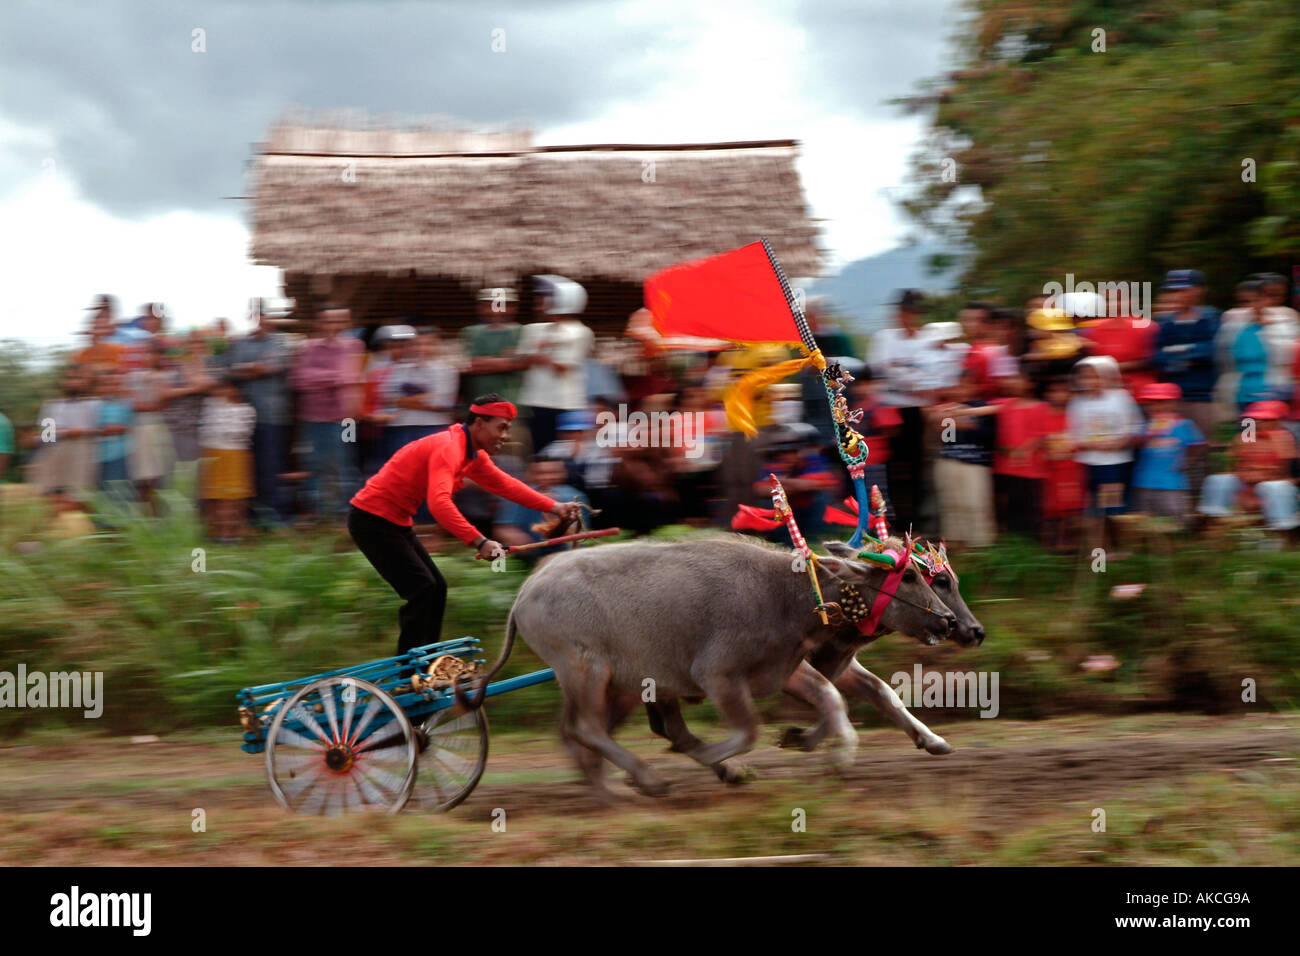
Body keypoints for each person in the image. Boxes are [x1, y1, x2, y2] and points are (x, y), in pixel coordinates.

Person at [348, 394, 583, 657]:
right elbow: (439, 504)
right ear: (479, 424)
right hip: (372, 520)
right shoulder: (449, 448)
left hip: (394, 522)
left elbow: (508, 485)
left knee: (436, 587)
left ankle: (427, 662)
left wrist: (555, 507)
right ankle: (411, 673)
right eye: (501, 427)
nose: (505, 435)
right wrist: (480, 541)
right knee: (422, 589)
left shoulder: (471, 454)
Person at [869, 289, 939, 526]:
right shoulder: (884, 339)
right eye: (902, 311)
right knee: (892, 465)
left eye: (911, 312)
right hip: (892, 410)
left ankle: (917, 518)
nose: (906, 316)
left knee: (918, 463)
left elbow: (931, 375)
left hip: (918, 410)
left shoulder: (927, 340)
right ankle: (894, 517)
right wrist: (910, 378)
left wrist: (902, 374)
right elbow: (882, 371)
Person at [290, 304, 365, 522]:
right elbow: (300, 379)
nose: (335, 326)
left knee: (346, 462)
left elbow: (353, 377)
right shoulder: (307, 347)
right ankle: (318, 511)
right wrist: (336, 378)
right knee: (315, 462)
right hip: (315, 417)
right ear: (319, 323)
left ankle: (348, 511)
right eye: (330, 321)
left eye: (340, 321)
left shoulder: (354, 346)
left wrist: (322, 378)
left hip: (348, 418)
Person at [1067, 355, 1144, 553]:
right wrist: (1084, 444)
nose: (1090, 382)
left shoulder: (1120, 398)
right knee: (1093, 509)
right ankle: (1102, 552)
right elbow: (1071, 433)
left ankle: (1124, 550)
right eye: (1084, 377)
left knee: (1113, 508)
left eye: (1095, 376)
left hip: (1114, 463)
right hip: (1088, 462)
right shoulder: (1076, 403)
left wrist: (1122, 441)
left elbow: (1136, 427)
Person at [227, 299, 293, 527]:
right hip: (244, 418)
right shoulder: (241, 343)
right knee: (249, 468)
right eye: (256, 314)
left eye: (264, 314)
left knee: (272, 467)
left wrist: (252, 368)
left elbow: (274, 366)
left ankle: (276, 517)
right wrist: (255, 367)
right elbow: (234, 370)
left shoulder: (282, 342)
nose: (261, 319)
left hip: (273, 417)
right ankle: (254, 517)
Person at [517, 276, 594, 454]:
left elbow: (562, 366)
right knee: (540, 454)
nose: (541, 304)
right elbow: (523, 358)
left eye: (546, 298)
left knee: (566, 454)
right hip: (536, 402)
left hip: (565, 404)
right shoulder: (533, 329)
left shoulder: (580, 332)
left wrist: (539, 352)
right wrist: (546, 351)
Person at [1152, 269, 1221, 460]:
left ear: (1198, 291)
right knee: (1174, 452)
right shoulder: (1165, 323)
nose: (1177, 295)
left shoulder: (1211, 318)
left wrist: (1176, 353)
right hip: (1173, 400)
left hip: (1204, 398)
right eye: (1173, 291)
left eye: (1183, 290)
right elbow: (1158, 358)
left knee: (1204, 451)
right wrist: (1190, 353)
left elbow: (1211, 351)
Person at [1199, 400, 1298, 532]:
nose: (1258, 424)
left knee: (1276, 486)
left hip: (1272, 485)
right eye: (1255, 420)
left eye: (1264, 420)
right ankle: (1213, 520)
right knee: (1218, 480)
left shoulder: (1284, 438)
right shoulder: (1247, 436)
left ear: (1277, 421)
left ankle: (1283, 528)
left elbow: (1290, 471)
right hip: (1246, 484)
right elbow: (1235, 464)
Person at [927, 369, 996, 547]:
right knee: (951, 503)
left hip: (975, 463)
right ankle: (956, 541)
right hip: (951, 460)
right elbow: (947, 439)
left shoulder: (983, 407)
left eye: (967, 385)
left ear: (974, 387)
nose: (962, 389)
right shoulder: (950, 409)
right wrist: (945, 422)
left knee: (975, 504)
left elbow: (989, 437)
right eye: (959, 385)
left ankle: (980, 544)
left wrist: (969, 424)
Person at [1130, 382, 1205, 526]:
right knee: (1146, 521)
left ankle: (1179, 544)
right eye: (1151, 403)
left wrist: (1185, 462)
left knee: (1178, 520)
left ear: (1174, 403)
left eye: (1161, 402)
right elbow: (1134, 442)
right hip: (1145, 481)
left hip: (1173, 483)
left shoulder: (1184, 424)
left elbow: (1198, 445)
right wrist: (1145, 435)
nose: (1156, 407)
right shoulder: (1145, 425)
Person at [493, 455, 590, 560]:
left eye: (553, 472)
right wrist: (522, 542)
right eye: (540, 473)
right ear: (530, 475)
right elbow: (503, 528)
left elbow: (577, 533)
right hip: (528, 556)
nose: (547, 477)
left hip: (566, 555)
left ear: (564, 473)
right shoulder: (517, 495)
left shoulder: (575, 496)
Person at [198, 376, 257, 541]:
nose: (224, 392)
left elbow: (237, 433)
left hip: (235, 455)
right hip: (212, 454)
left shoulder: (246, 410)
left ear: (238, 391)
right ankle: (214, 531)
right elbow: (206, 430)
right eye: (222, 388)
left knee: (233, 496)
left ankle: (231, 531)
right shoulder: (210, 406)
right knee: (212, 494)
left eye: (228, 388)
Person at [460, 287, 528, 402]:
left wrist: (486, 362)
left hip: (513, 404)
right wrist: (509, 361)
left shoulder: (523, 332)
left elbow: (526, 363)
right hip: (479, 404)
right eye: (490, 305)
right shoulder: (471, 332)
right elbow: (468, 365)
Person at [1041, 377, 1084, 550]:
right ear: (1047, 395)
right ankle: (1053, 542)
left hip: (1072, 468)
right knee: (1052, 507)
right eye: (1054, 391)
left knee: (1070, 506)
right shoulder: (1044, 416)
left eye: (1064, 391)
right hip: (1051, 469)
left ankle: (1069, 542)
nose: (1059, 395)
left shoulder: (1076, 417)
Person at [95, 368, 134, 498]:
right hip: (96, 457)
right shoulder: (94, 405)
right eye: (105, 384)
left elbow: (126, 427)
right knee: (100, 494)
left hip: (118, 455)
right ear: (99, 386)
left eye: (114, 383)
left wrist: (106, 429)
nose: (110, 387)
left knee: (118, 493)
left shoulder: (123, 403)